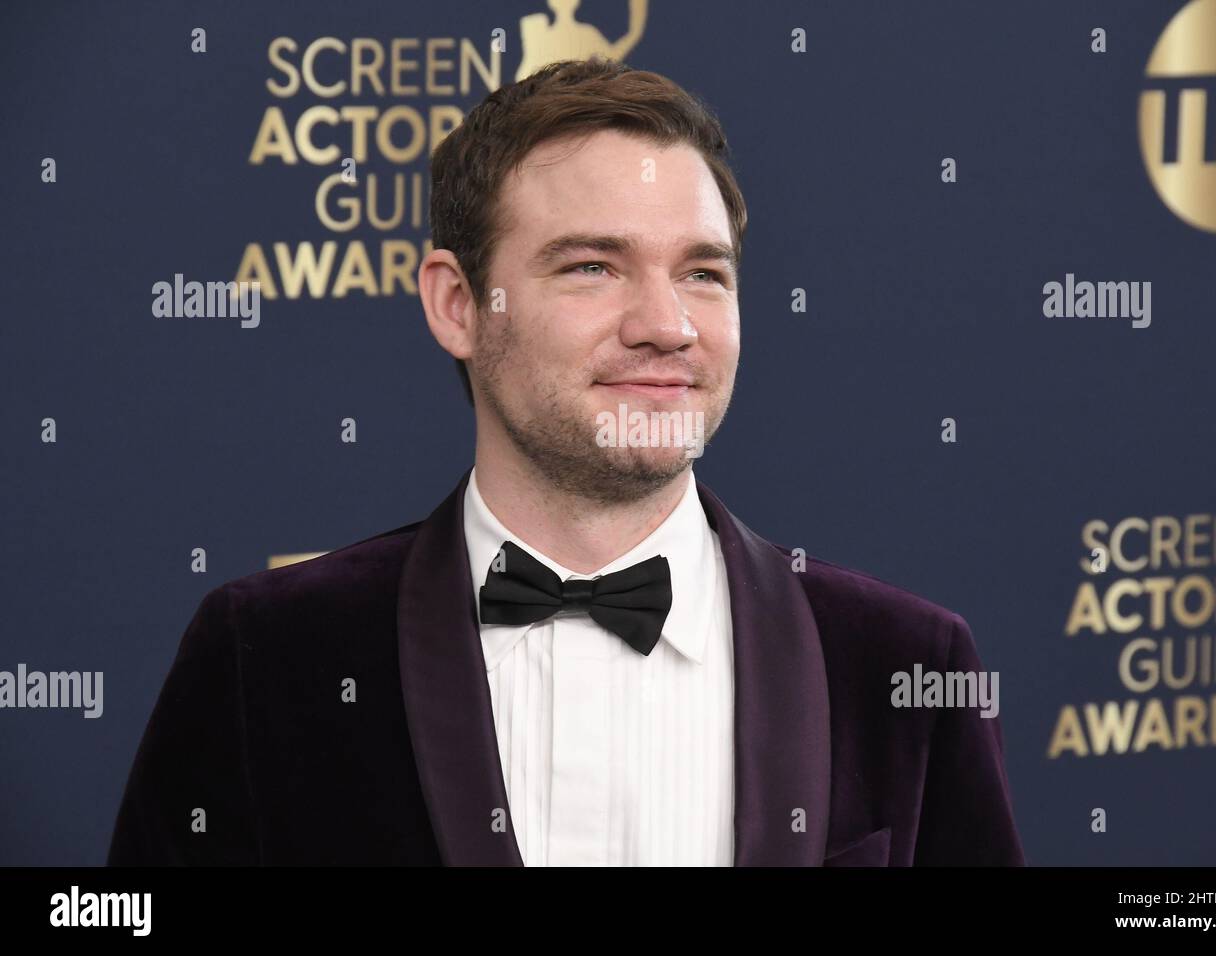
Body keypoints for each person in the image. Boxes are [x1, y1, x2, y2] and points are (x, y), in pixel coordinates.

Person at [108, 57, 1024, 867]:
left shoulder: (904, 665)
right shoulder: (266, 658)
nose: (665, 326)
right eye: (593, 266)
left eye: (703, 273)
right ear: (458, 305)